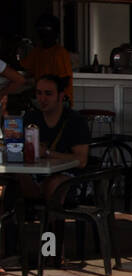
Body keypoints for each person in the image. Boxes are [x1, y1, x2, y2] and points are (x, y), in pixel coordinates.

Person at [18, 75, 90, 203]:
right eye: (39, 93)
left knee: (54, 184)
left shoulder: (74, 120)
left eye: (48, 94)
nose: (42, 98)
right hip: (35, 174)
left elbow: (82, 160)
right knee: (9, 180)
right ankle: (13, 221)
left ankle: (53, 222)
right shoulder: (31, 118)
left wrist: (46, 153)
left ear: (61, 96)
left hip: (69, 177)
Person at [21, 14, 74, 105]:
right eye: (42, 34)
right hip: (43, 98)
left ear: (55, 35)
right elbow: (24, 68)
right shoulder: (37, 51)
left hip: (59, 100)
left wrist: (47, 91)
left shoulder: (60, 53)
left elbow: (65, 80)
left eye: (47, 33)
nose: (44, 37)